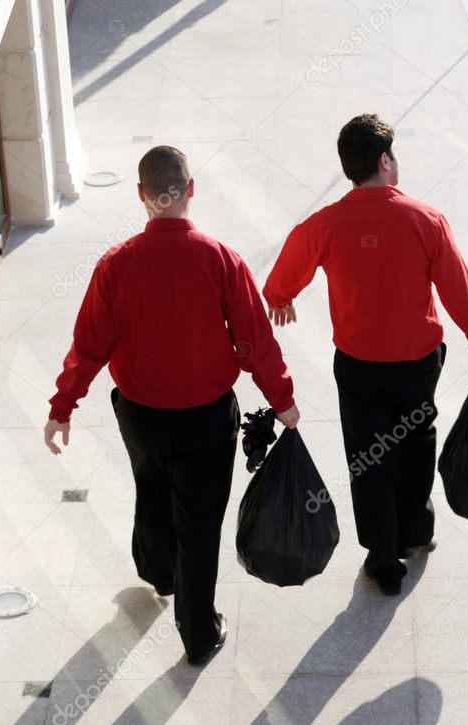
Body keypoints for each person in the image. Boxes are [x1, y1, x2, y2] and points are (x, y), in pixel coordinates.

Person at [45, 145, 300, 664]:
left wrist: (62, 406)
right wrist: (283, 399)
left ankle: (160, 573)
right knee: (201, 521)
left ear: (142, 196)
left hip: (140, 416)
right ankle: (199, 633)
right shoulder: (221, 259)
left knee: (153, 489)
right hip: (206, 417)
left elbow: (88, 344)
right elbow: (254, 340)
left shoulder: (115, 265)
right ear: (190, 190)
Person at [263, 113, 468, 595]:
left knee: (368, 456)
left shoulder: (324, 225)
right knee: (417, 442)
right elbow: (460, 294)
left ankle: (382, 558)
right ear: (384, 160)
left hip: (358, 365)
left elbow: (280, 280)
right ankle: (415, 532)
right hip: (418, 362)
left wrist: (282, 298)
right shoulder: (426, 220)